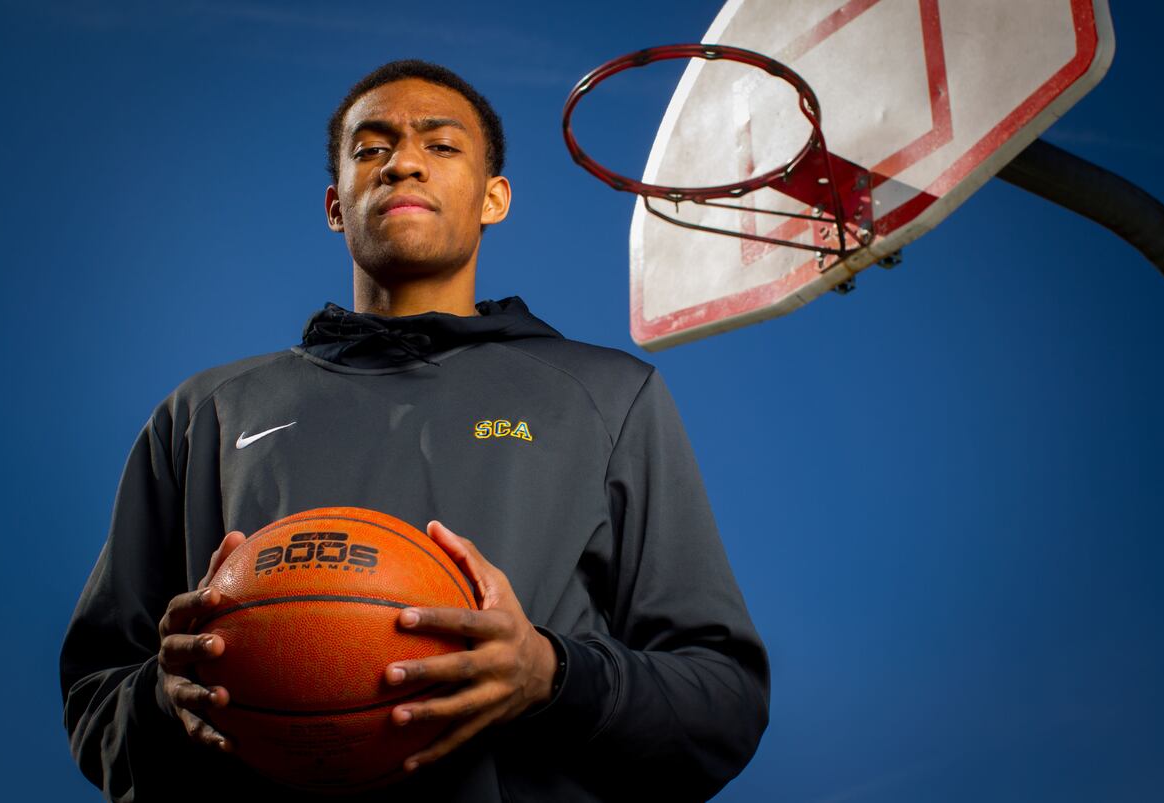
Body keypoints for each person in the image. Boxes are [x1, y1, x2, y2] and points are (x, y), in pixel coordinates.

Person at [60, 60, 769, 803]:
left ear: (494, 198)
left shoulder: (607, 396)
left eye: (441, 146)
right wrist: (162, 697)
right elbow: (97, 705)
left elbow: (722, 702)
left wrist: (551, 674)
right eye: (371, 149)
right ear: (336, 204)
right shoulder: (204, 413)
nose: (402, 161)